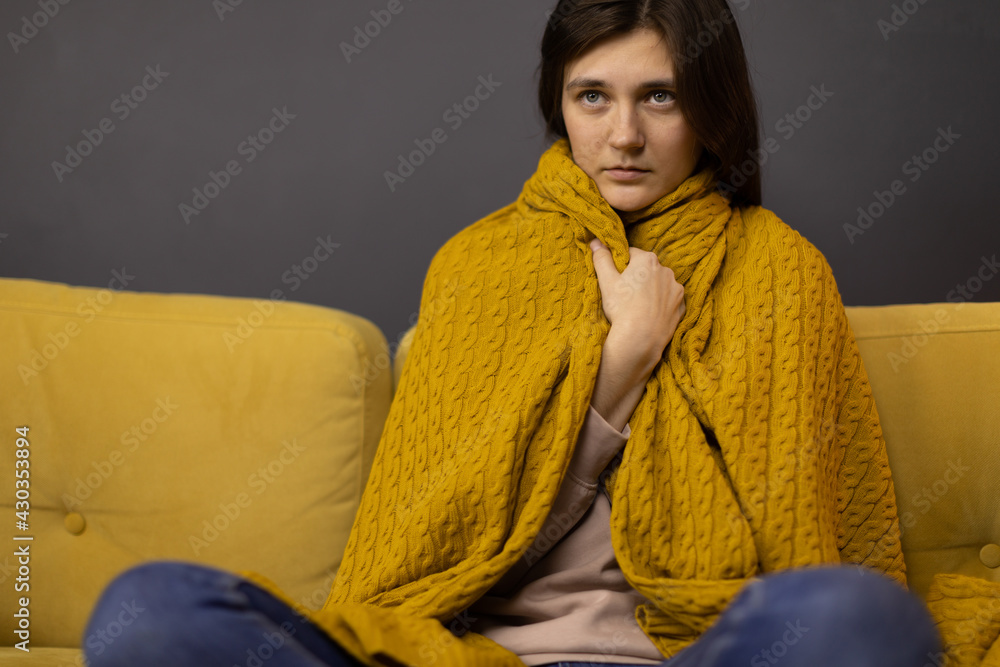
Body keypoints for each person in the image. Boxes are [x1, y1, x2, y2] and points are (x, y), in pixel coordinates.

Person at [83, 1, 944, 665]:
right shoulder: (477, 264)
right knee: (149, 610)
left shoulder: (781, 270)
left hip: (693, 654)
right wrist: (622, 366)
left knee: (858, 616)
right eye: (592, 96)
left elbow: (809, 547)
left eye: (660, 96)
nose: (624, 135)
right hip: (477, 657)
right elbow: (425, 556)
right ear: (558, 104)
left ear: (711, 107)